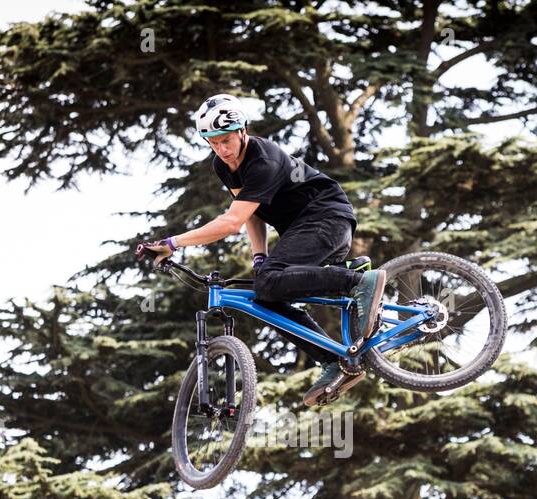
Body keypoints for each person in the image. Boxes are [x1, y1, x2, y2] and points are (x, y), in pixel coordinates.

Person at [135, 93, 386, 407]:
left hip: (327, 219)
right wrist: (259, 256)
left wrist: (173, 242)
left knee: (267, 282)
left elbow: (232, 222)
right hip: (305, 231)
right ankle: (333, 361)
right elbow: (252, 212)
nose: (222, 150)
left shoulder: (262, 159)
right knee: (265, 295)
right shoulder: (223, 166)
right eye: (213, 143)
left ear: (242, 131)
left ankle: (357, 282)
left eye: (227, 140)